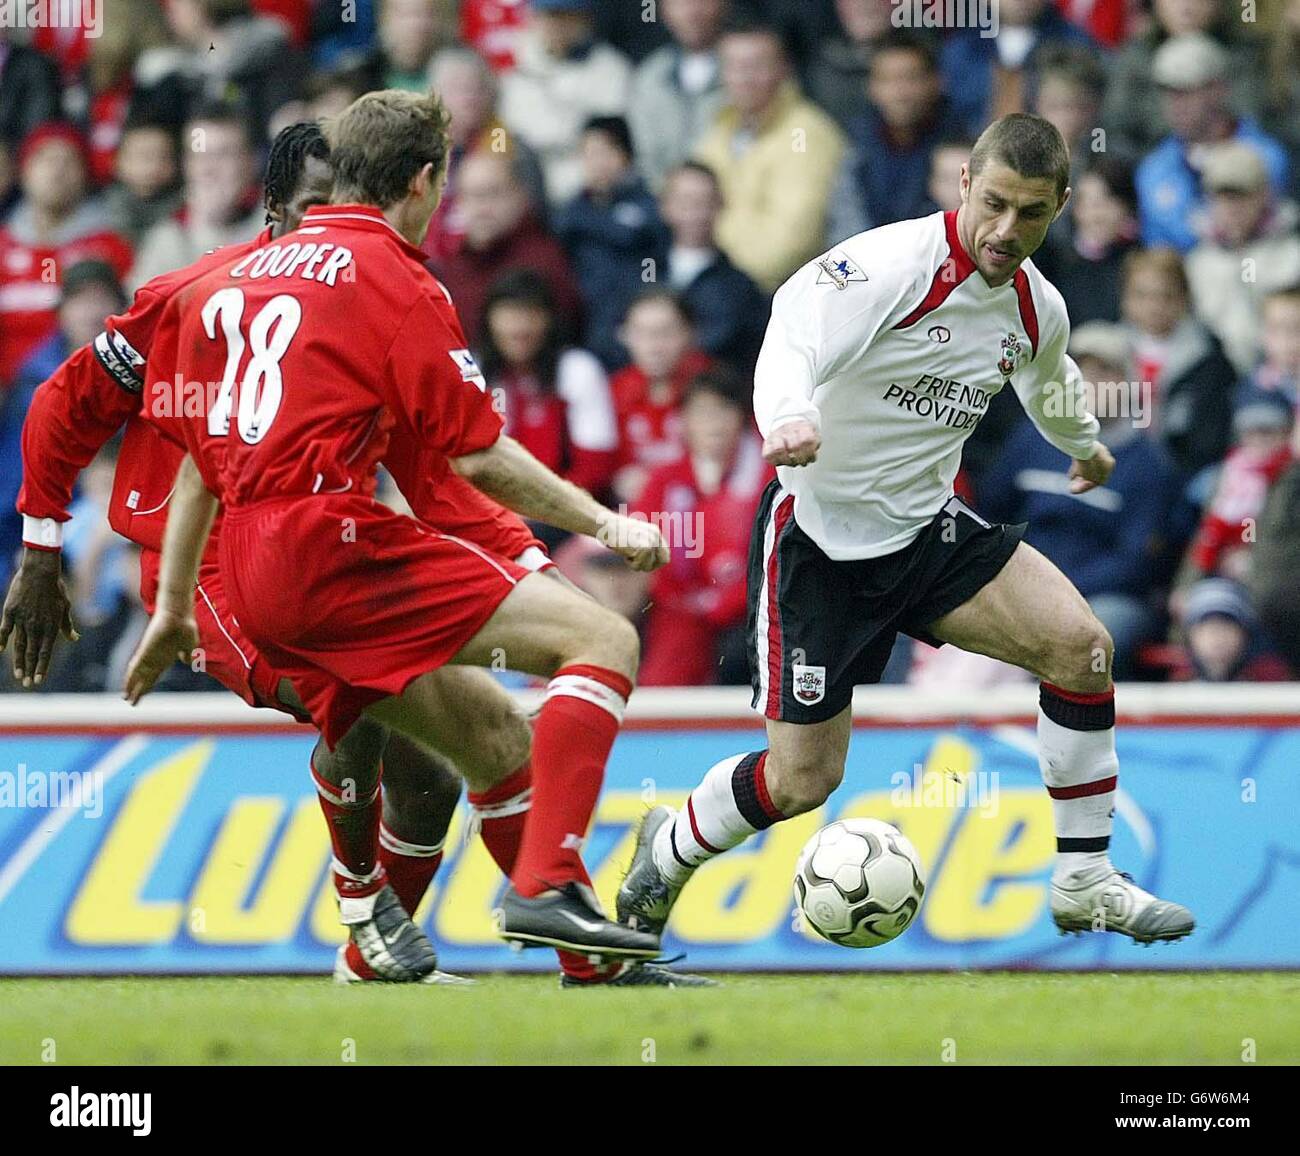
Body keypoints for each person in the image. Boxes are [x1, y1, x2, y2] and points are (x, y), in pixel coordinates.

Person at [123, 90, 670, 973]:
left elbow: (196, 461)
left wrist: (175, 605)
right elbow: (478, 457)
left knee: (493, 738)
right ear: (424, 180)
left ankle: (556, 962)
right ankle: (546, 884)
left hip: (253, 566)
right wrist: (604, 522)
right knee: (603, 637)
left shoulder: (247, 271)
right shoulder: (398, 277)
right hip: (329, 539)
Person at [618, 113, 1196, 948]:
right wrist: (787, 414)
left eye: (1030, 213)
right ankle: (665, 854)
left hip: (926, 531)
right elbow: (792, 327)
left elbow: (1049, 379)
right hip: (818, 543)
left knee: (1083, 648)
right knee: (801, 779)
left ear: (1061, 206)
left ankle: (1083, 879)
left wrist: (1086, 448)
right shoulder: (888, 267)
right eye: (993, 203)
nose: (1005, 230)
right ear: (963, 182)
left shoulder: (1037, 307)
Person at [977, 322, 1180, 680]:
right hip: (1021, 581)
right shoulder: (1030, 437)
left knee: (1084, 640)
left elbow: (1135, 563)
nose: (1092, 382)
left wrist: (1058, 592)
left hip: (1102, 596)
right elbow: (990, 512)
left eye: (1106, 372)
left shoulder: (1150, 465)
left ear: (1129, 382)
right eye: (1082, 370)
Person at [636, 367, 773, 686]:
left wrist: (723, 603)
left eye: (723, 410)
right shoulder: (664, 478)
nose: (713, 423)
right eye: (701, 412)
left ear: (741, 418)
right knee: (663, 690)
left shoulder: (769, 478)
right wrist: (683, 602)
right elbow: (641, 548)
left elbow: (774, 557)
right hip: (680, 611)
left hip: (751, 612)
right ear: (683, 422)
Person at [693, 18, 845, 293]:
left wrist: (707, 252)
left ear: (783, 69)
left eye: (756, 66)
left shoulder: (806, 135)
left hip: (775, 296)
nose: (744, 78)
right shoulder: (719, 126)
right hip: (714, 283)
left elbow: (786, 248)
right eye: (734, 67)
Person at [0, 123, 134, 386]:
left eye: (69, 161)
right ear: (24, 171)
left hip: (82, 391)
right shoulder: (2, 244)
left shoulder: (110, 246)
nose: (57, 171)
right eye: (46, 159)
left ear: (85, 174)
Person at [1135, 33, 1289, 253]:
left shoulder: (1265, 157)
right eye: (1168, 92)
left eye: (1187, 91)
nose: (1176, 104)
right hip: (1179, 282)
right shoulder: (1153, 170)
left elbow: (1268, 234)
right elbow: (1157, 252)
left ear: (1219, 89)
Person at [476, 270, 619, 505]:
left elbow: (595, 468)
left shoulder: (578, 370)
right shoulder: (475, 371)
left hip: (569, 511)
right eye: (508, 315)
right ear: (489, 320)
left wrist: (535, 509)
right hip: (491, 511)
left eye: (530, 314)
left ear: (550, 320)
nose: (519, 329)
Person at [425, 149, 584, 349]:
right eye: (471, 196)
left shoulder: (544, 260)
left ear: (519, 196)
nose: (482, 208)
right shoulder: (451, 267)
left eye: (493, 193)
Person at [827, 31, 966, 241]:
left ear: (936, 82)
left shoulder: (961, 146)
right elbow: (845, 220)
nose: (900, 93)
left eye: (911, 78)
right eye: (887, 80)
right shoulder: (855, 142)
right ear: (872, 87)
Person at [555, 116, 668, 369]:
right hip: (587, 329)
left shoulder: (649, 206)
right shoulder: (569, 214)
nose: (599, 163)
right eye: (590, 154)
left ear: (627, 155)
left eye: (607, 152)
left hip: (638, 326)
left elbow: (648, 249)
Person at [498, 0, 632, 205]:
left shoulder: (611, 70)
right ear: (534, 19)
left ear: (584, 20)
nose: (557, 25)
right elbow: (500, 135)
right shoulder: (514, 68)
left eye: (567, 16)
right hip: (526, 188)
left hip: (590, 191)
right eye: (550, 16)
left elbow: (611, 143)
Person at [1119, 246, 1236, 479]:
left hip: (1182, 473)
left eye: (1165, 296)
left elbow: (1210, 436)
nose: (1154, 306)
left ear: (1184, 299)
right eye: (1142, 295)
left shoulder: (1209, 360)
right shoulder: (1107, 351)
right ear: (1125, 298)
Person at [1185, 141, 1300, 376]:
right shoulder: (1197, 263)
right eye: (1223, 197)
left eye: (1241, 196)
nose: (1232, 208)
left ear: (1264, 195)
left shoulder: (1293, 255)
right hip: (1214, 381)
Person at [128, 102, 265, 290]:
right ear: (186, 164)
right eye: (199, 156)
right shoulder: (165, 240)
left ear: (251, 163)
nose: (208, 168)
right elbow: (143, 312)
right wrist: (205, 227)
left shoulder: (281, 226)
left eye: (223, 155)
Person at [659, 161, 767, 370]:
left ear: (720, 205)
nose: (694, 212)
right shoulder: (641, 271)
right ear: (665, 206)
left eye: (704, 202)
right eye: (685, 201)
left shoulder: (739, 288)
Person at [608, 289, 714, 503]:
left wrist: (658, 480)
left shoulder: (714, 389)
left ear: (690, 333)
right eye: (641, 333)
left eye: (666, 333)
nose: (653, 346)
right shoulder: (614, 391)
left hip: (704, 514)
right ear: (624, 336)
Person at [627, 0, 730, 191]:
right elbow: (645, 157)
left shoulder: (746, 69)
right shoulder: (650, 75)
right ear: (663, 10)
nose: (693, 11)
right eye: (681, 2)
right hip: (662, 206)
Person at [1033, 156, 1139, 326]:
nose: (1097, 215)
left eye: (1108, 202)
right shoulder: (1052, 261)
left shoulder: (1137, 262)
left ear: (1126, 208)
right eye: (1090, 203)